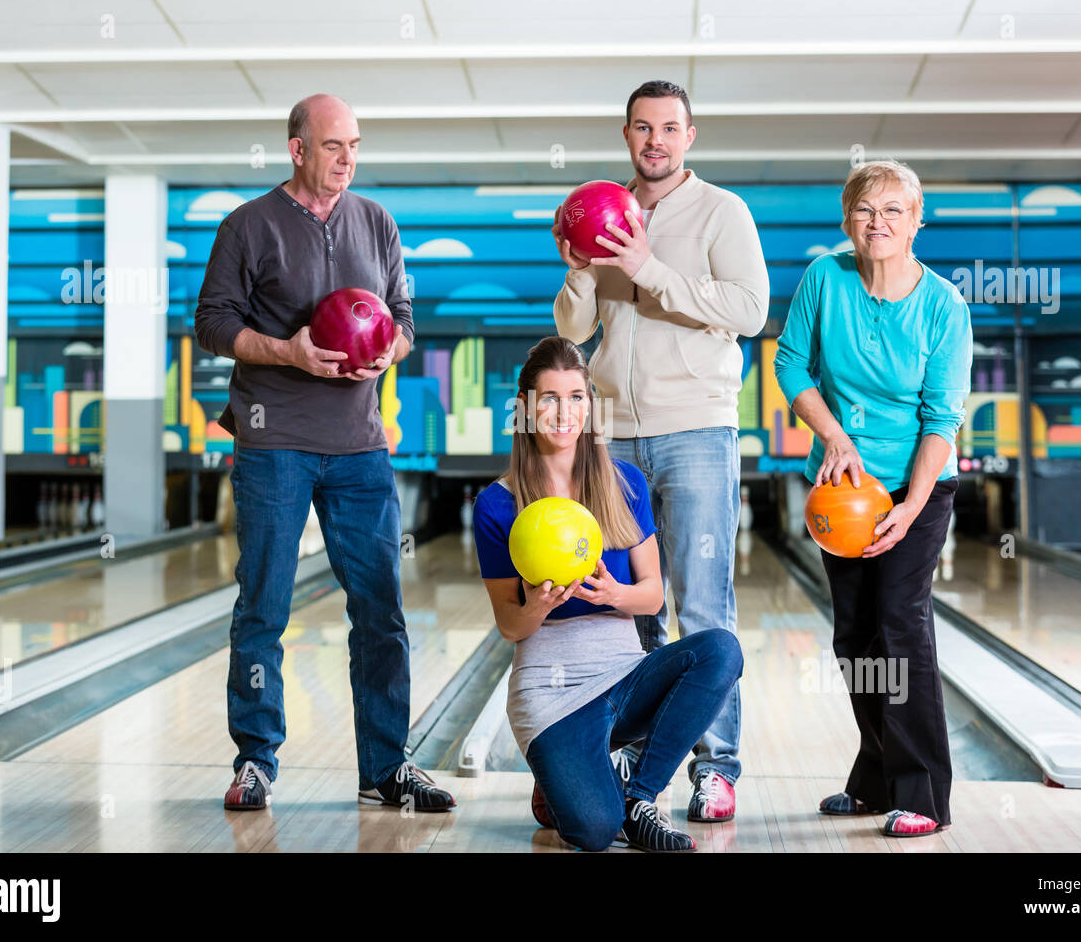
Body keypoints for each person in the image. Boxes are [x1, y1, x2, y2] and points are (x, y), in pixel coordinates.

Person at [195, 93, 454, 814]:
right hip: (273, 440)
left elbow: (403, 319)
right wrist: (288, 352)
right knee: (265, 606)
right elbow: (212, 323)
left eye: (355, 146)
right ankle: (256, 761)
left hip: (360, 447)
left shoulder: (377, 222)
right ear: (297, 148)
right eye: (333, 145)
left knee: (382, 611)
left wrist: (385, 353)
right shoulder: (248, 226)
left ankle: (386, 767)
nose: (347, 159)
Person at [551, 80, 769, 822]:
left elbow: (748, 309)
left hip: (697, 427)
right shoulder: (605, 210)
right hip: (612, 434)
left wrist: (647, 266)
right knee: (628, 609)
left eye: (669, 128)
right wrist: (581, 263)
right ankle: (634, 760)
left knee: (704, 603)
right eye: (643, 129)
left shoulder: (722, 212)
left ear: (689, 136)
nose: (656, 141)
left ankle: (717, 768)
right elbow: (574, 330)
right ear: (627, 136)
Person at [472, 336, 743, 852]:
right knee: (592, 833)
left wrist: (613, 594)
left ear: (590, 405)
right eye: (549, 398)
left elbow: (652, 598)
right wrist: (538, 607)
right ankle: (571, 774)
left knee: (720, 650)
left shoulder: (626, 483)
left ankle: (639, 799)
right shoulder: (497, 505)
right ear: (526, 407)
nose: (563, 412)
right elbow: (510, 626)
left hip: (622, 676)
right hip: (551, 696)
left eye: (576, 397)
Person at [773, 160, 973, 837]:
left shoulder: (943, 305)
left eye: (894, 210)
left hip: (915, 485)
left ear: (919, 221)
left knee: (901, 622)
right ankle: (875, 774)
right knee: (854, 634)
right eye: (865, 209)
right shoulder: (825, 279)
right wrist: (832, 435)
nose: (878, 222)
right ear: (846, 219)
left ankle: (923, 793)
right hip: (841, 486)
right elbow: (789, 363)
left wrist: (910, 508)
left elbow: (942, 418)